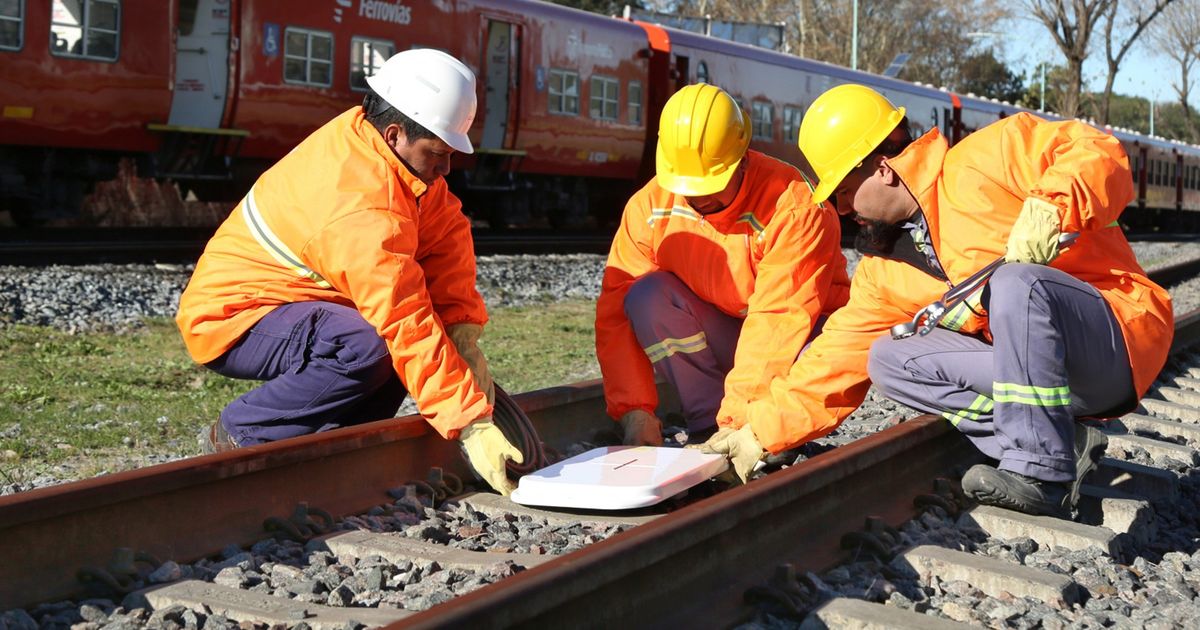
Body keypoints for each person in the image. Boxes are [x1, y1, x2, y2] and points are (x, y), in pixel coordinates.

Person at [701, 84, 1173, 519]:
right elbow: (830, 363)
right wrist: (756, 434)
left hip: (1116, 341)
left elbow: (1098, 150)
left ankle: (1040, 474)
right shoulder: (884, 272)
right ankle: (1056, 440)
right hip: (1039, 376)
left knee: (1017, 284)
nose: (842, 209)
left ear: (882, 168)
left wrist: (1052, 205)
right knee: (887, 358)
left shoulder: (987, 157)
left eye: (843, 191)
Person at [175, 49, 523, 495]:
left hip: (299, 306)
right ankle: (240, 432)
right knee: (371, 344)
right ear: (396, 134)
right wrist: (470, 423)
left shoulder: (388, 156)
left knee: (393, 349)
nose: (446, 168)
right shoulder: (360, 200)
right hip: (235, 317)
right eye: (438, 153)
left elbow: (446, 238)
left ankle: (330, 456)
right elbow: (403, 319)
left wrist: (462, 335)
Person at [595, 83, 851, 447]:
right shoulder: (647, 208)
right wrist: (634, 411)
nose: (700, 198)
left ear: (743, 158)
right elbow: (614, 316)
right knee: (646, 296)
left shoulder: (794, 206)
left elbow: (779, 318)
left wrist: (742, 422)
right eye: (689, 187)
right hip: (733, 332)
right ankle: (706, 423)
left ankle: (759, 425)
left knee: (803, 370)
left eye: (712, 184)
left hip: (803, 340)